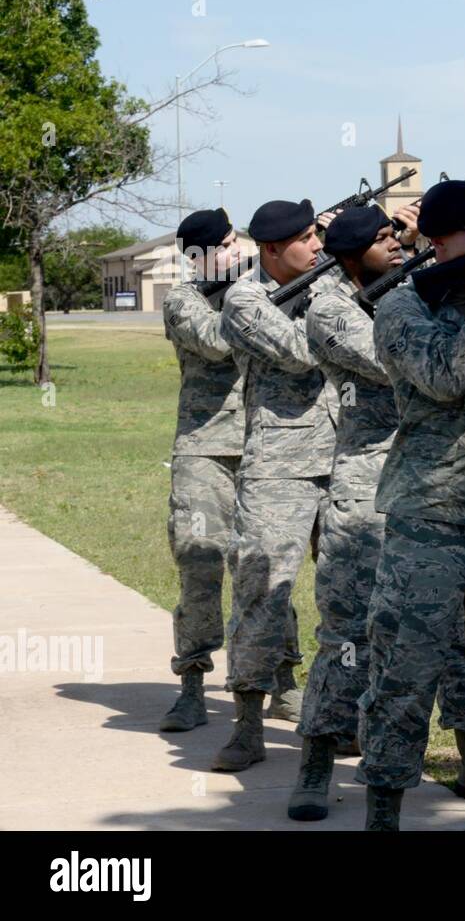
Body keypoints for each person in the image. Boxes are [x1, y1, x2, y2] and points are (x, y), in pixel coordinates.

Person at [357, 177, 465, 829]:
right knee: (404, 671)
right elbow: (443, 375)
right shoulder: (400, 307)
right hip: (426, 514)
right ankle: (383, 808)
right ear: (436, 242)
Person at [287, 205, 407, 820]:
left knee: (434, 636)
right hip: (363, 486)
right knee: (346, 635)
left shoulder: (409, 287)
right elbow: (398, 363)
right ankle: (313, 764)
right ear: (357, 252)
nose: (399, 244)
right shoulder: (329, 307)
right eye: (387, 238)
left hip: (423, 481)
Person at [213, 199, 339, 772]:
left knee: (350, 600)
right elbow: (302, 353)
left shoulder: (327, 280)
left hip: (346, 459)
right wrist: (337, 285)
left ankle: (341, 718)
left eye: (320, 237)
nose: (317, 246)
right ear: (270, 249)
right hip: (279, 466)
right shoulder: (244, 299)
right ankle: (247, 724)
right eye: (307, 238)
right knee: (263, 594)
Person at [158, 209, 245, 732]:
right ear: (199, 256)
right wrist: (255, 294)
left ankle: (278, 681)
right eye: (229, 245)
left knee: (262, 570)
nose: (240, 252)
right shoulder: (182, 300)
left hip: (264, 448)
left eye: (240, 241)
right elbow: (216, 341)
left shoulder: (259, 288)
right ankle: (191, 684)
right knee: (199, 563)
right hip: (203, 450)